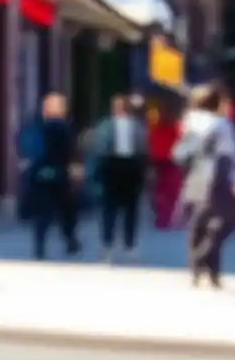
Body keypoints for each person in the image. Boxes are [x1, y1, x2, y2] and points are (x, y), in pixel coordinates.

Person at [174, 85, 235, 289]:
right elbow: (233, 155)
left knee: (198, 223)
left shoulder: (188, 122)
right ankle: (208, 262)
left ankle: (197, 268)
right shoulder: (221, 125)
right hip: (219, 175)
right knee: (227, 220)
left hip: (195, 176)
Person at [91, 95, 148, 262]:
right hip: (112, 165)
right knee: (109, 208)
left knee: (131, 209)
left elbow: (143, 148)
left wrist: (142, 168)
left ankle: (129, 245)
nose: (122, 109)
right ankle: (107, 244)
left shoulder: (137, 125)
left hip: (131, 166)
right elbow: (100, 147)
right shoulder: (106, 125)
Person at [30, 93, 81, 260]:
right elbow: (72, 153)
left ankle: (39, 243)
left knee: (42, 211)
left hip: (40, 173)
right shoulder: (66, 129)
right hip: (60, 173)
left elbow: (28, 149)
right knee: (67, 209)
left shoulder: (38, 127)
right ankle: (70, 239)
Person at [149, 107, 184, 230]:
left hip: (163, 161)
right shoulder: (173, 128)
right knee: (167, 191)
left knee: (163, 190)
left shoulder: (156, 128)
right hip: (167, 162)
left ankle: (163, 217)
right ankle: (165, 217)